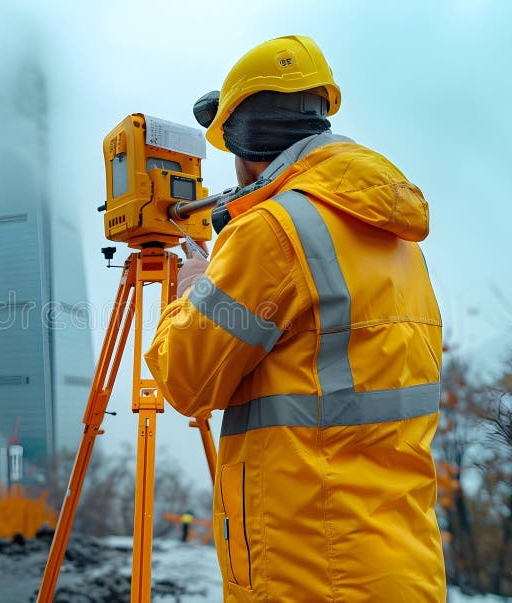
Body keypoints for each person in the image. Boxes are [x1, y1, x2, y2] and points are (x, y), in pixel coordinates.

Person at [145, 35, 446, 602]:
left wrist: (190, 290)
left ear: (244, 141)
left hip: (310, 569)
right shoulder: (395, 235)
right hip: (399, 566)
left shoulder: (273, 231)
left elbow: (185, 382)